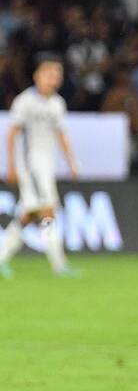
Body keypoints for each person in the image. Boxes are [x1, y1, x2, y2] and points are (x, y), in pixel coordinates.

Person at [1, 55, 79, 278]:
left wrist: (71, 162)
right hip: (30, 166)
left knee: (27, 215)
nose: (53, 79)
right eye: (49, 74)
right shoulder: (25, 101)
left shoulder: (57, 103)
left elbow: (61, 134)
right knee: (48, 212)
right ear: (37, 76)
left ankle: (2, 257)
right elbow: (12, 134)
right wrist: (11, 166)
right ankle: (59, 263)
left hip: (46, 166)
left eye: (57, 75)